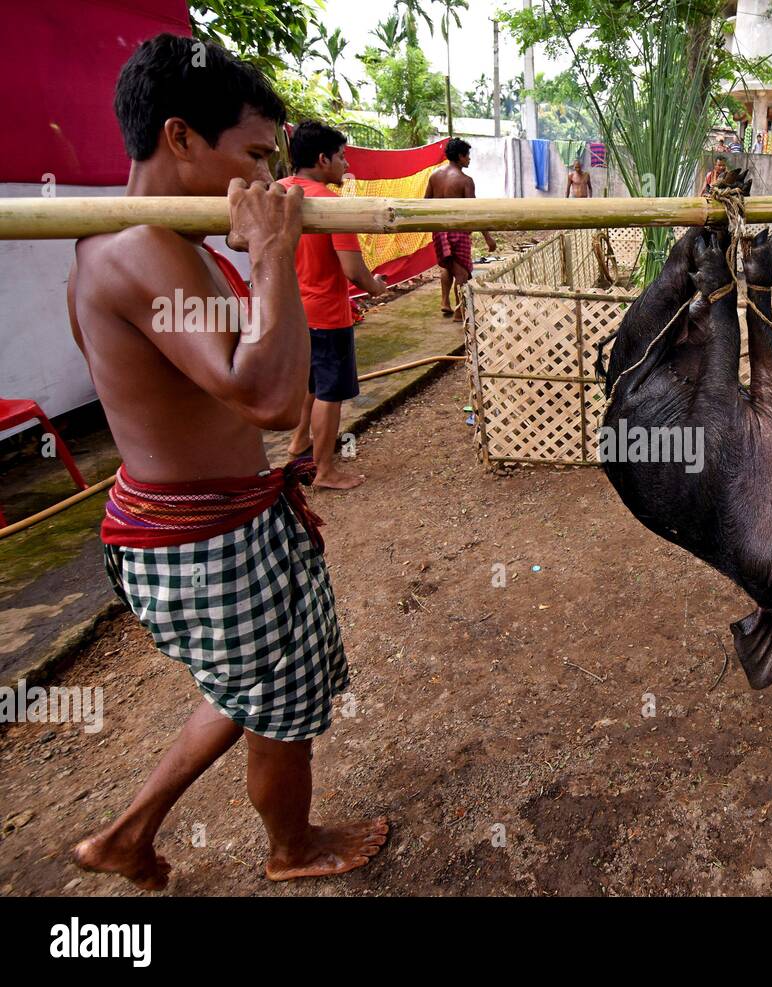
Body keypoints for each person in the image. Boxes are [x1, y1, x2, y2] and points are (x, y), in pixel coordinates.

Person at [65, 34, 388, 891]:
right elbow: (271, 399)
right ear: (178, 138)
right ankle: (293, 847)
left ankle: (127, 834)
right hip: (202, 541)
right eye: (252, 156)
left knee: (250, 685)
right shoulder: (140, 250)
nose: (265, 181)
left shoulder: (164, 242)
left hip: (218, 521)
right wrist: (274, 251)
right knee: (276, 708)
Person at [280, 121, 387, 492]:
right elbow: (353, 270)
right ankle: (324, 470)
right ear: (322, 159)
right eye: (341, 157)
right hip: (325, 313)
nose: (346, 165)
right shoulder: (330, 206)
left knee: (310, 381)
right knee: (330, 391)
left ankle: (298, 442)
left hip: (287, 314)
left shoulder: (275, 194)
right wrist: (375, 287)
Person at [425, 137, 497, 321]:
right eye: (468, 156)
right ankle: (460, 311)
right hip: (458, 231)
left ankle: (445, 302)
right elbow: (474, 212)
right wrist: (488, 237)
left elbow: (424, 203)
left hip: (439, 230)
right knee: (462, 271)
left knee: (448, 266)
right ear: (460, 156)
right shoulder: (465, 181)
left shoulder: (434, 176)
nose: (469, 159)